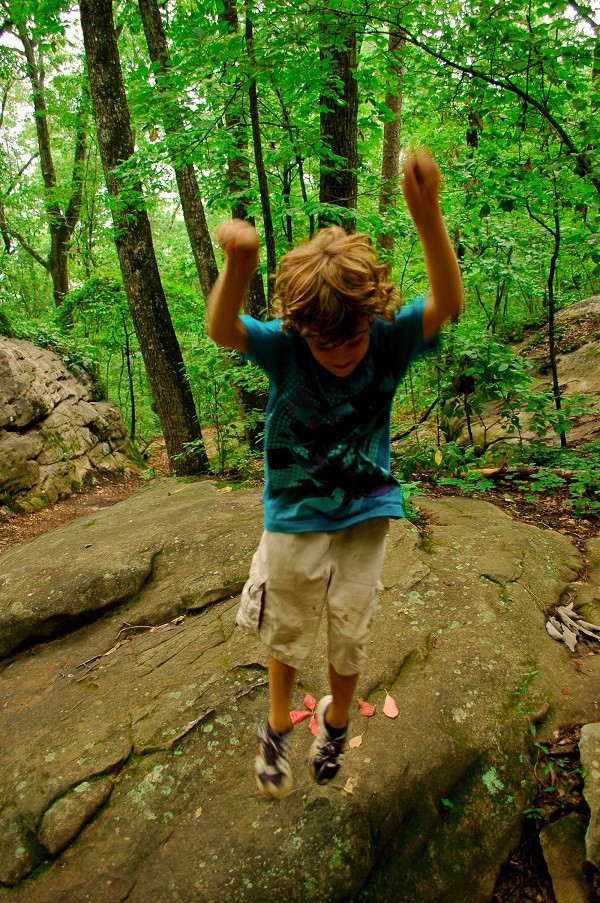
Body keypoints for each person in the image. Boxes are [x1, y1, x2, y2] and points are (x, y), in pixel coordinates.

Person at [207, 148, 463, 800]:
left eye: (351, 339)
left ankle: (336, 721)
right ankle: (275, 726)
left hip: (364, 512)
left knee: (351, 626)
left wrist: (426, 211)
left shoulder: (388, 338)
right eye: (326, 343)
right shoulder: (289, 347)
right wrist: (238, 265)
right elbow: (222, 328)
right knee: (288, 625)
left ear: (371, 316)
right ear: (301, 329)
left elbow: (448, 301)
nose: (342, 353)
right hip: (293, 511)